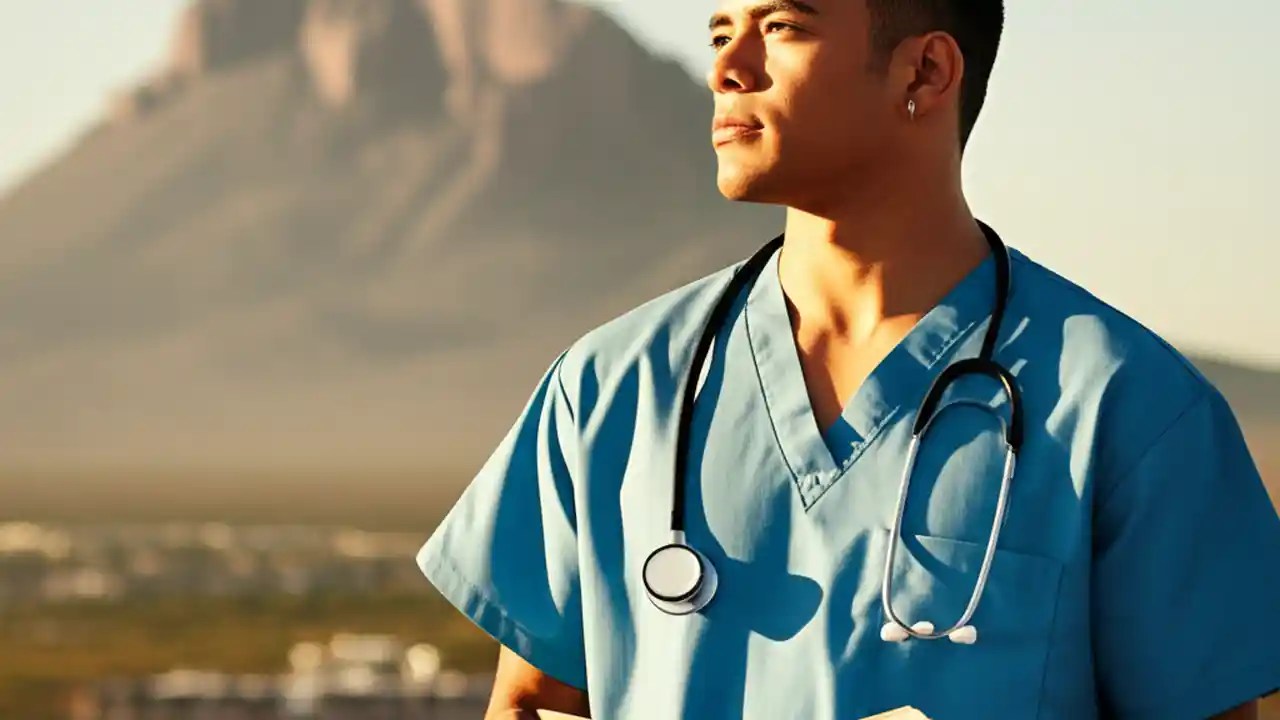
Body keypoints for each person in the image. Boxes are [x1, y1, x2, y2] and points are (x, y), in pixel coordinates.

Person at [416, 0, 1280, 717]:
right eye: (720, 32)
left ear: (926, 72)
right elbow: (532, 703)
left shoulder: (1128, 408)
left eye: (781, 26)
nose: (726, 68)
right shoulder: (612, 388)